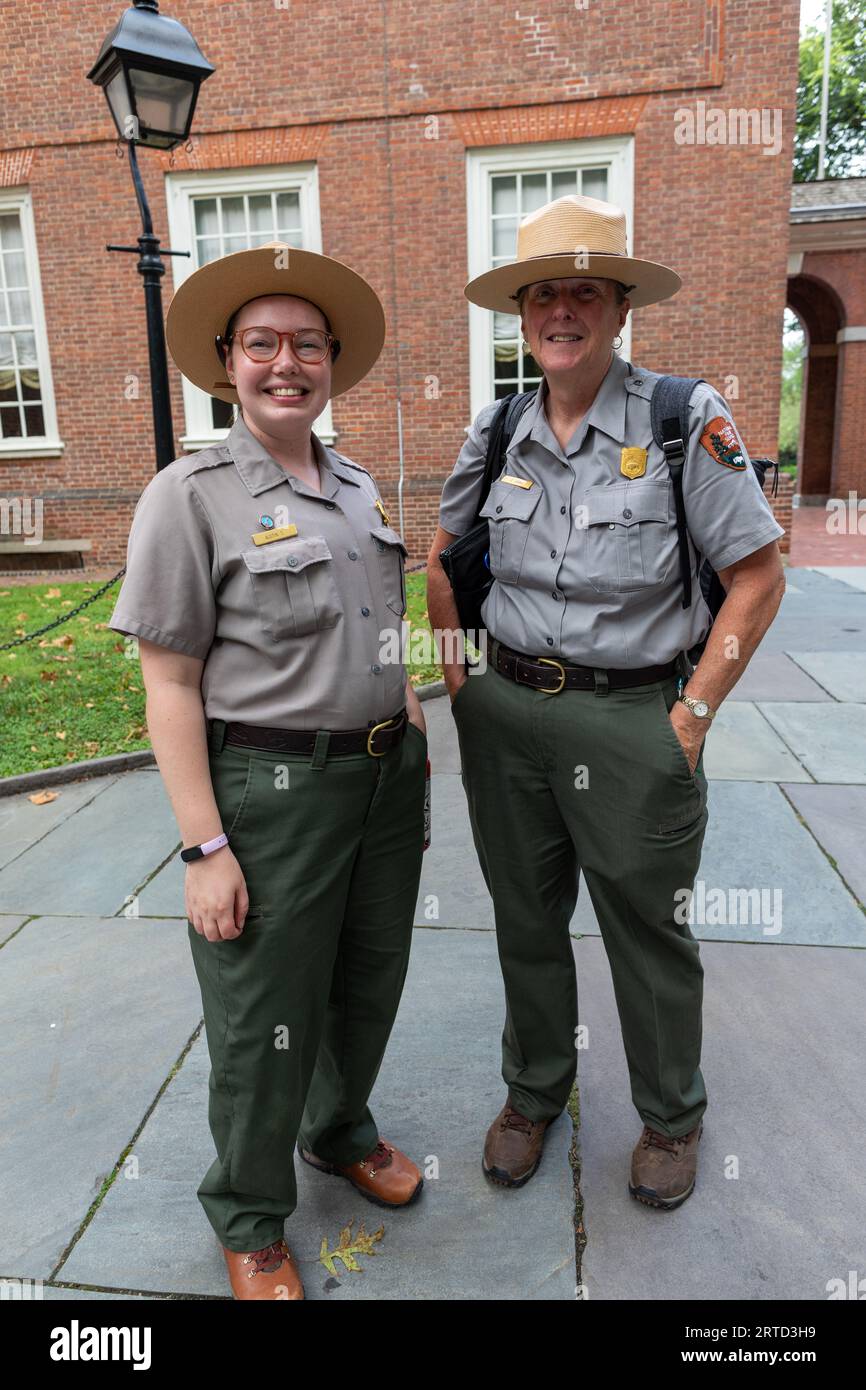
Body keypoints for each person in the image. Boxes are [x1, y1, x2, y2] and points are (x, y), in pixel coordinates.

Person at [426, 194, 785, 1211]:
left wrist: (693, 715)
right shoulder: (496, 425)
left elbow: (757, 577)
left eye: (583, 288)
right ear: (521, 313)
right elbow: (443, 557)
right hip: (507, 714)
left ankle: (671, 1114)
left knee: (648, 926)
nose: (560, 308)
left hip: (635, 720)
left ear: (618, 306)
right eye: (542, 291)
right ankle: (532, 1092)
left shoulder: (682, 418)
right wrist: (458, 681)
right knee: (522, 920)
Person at [108, 242, 428, 1300]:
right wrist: (203, 846)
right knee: (262, 1012)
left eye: (304, 344)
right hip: (271, 796)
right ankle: (248, 1213)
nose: (284, 362)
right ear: (226, 363)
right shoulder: (187, 495)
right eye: (260, 344)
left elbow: (375, 620)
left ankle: (338, 1129)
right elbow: (168, 687)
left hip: (384, 784)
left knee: (366, 978)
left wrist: (405, 698)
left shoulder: (356, 482)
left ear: (330, 358)